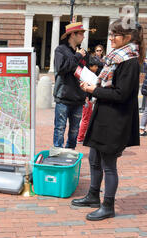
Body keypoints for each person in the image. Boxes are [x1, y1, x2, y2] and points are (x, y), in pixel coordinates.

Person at [71, 18, 144, 221]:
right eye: (111, 34)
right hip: (103, 115)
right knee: (94, 159)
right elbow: (109, 88)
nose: (111, 38)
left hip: (115, 119)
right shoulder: (114, 57)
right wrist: (93, 86)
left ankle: (108, 205)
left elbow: (122, 94)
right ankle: (94, 196)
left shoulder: (129, 61)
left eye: (115, 35)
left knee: (109, 164)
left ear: (127, 37)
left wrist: (96, 89)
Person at [53, 22, 88, 150]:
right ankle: (57, 151)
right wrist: (77, 56)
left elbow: (85, 73)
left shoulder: (83, 52)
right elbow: (61, 68)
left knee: (74, 130)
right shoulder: (60, 50)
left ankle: (70, 152)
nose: (83, 37)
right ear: (72, 34)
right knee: (60, 128)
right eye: (81, 33)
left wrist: (87, 93)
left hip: (79, 97)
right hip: (63, 96)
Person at [77, 56, 101, 143]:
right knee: (85, 119)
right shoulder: (87, 76)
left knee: (86, 118)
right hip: (87, 100)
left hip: (87, 100)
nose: (96, 68)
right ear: (90, 66)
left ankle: (81, 136)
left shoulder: (87, 75)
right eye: (95, 66)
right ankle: (80, 137)